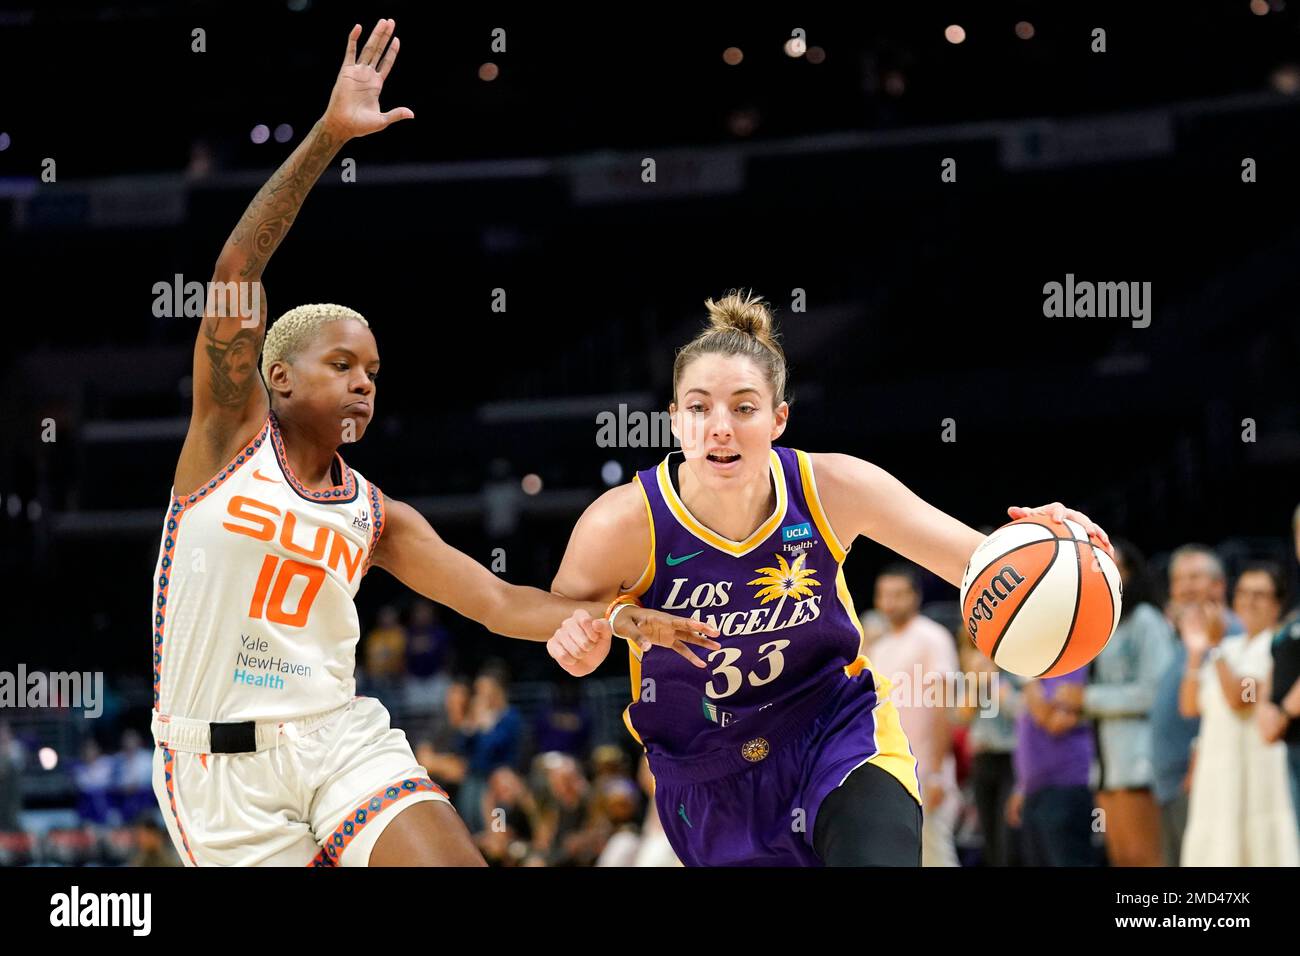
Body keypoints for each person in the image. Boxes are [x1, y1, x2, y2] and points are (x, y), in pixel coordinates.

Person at [150, 18, 717, 868]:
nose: (365, 382)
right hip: (214, 769)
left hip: (340, 740)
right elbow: (236, 274)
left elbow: (500, 603)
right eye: (341, 363)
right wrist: (328, 138)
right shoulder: (225, 442)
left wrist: (621, 619)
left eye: (373, 370)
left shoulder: (377, 516)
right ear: (278, 378)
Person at [544, 291, 1113, 866]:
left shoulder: (832, 488)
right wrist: (581, 645)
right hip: (708, 777)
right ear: (674, 418)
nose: (721, 427)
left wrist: (1045, 545)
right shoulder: (624, 521)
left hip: (836, 733)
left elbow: (977, 565)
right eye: (699, 408)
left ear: (778, 418)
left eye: (744, 408)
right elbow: (559, 621)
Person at [1180, 563, 1299, 865]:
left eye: (1260, 594)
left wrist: (1215, 647)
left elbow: (1240, 697)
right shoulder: (1230, 646)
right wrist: (1196, 652)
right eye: (1244, 593)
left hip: (1257, 772)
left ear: (1277, 603)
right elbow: (1190, 706)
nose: (1249, 601)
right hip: (1216, 771)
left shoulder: (1276, 647)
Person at [1148, 543, 1242, 865]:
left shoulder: (1232, 632)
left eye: (1195, 577)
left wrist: (1197, 758)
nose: (1186, 587)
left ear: (1219, 585)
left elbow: (1237, 706)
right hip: (1170, 781)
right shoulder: (1182, 636)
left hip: (1204, 776)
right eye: (1179, 579)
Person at [1082, 538, 1171, 866]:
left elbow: (1155, 692)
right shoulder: (1101, 626)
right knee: (1121, 858)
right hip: (1107, 766)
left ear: (1131, 572)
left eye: (1113, 566)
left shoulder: (1146, 619)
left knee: (1145, 858)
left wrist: (1086, 699)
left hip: (1139, 761)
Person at [865, 563, 961, 866]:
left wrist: (936, 772)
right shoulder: (880, 646)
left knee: (935, 854)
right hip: (890, 768)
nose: (889, 602)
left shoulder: (932, 638)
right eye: (884, 595)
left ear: (915, 597)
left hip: (926, 769)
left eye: (898, 595)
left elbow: (942, 708)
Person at [1007, 669, 1099, 867]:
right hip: (1034, 788)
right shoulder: (1040, 668)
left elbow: (1053, 721)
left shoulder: (1070, 662)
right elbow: (1027, 731)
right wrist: (1021, 787)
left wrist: (1028, 680)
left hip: (1066, 785)